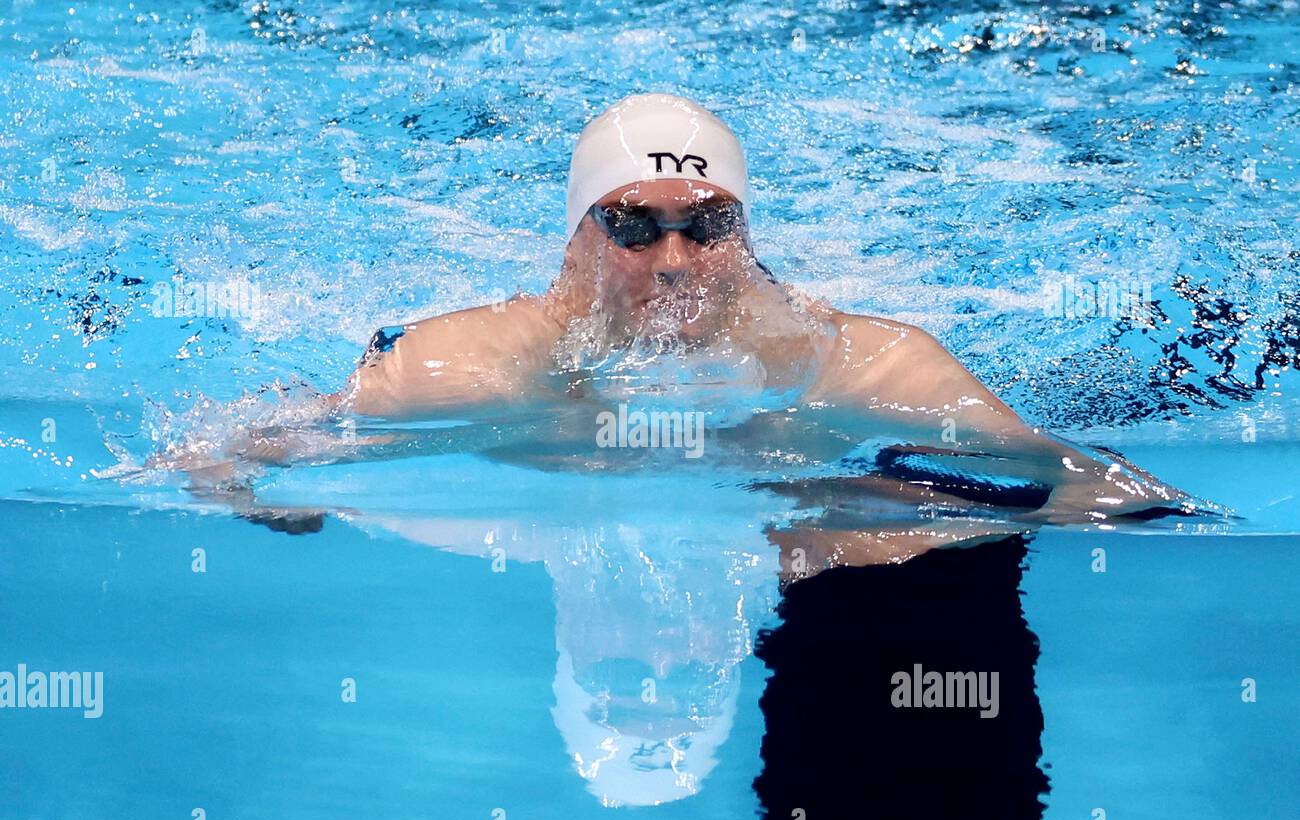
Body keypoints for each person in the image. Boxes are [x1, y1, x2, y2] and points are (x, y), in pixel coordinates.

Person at [157, 91, 1191, 525]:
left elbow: (1072, 473)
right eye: (632, 225)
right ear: (577, 235)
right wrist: (254, 498)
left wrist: (939, 516)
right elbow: (222, 445)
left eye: (707, 225)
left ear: (741, 232)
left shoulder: (861, 365)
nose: (674, 257)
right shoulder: (466, 366)